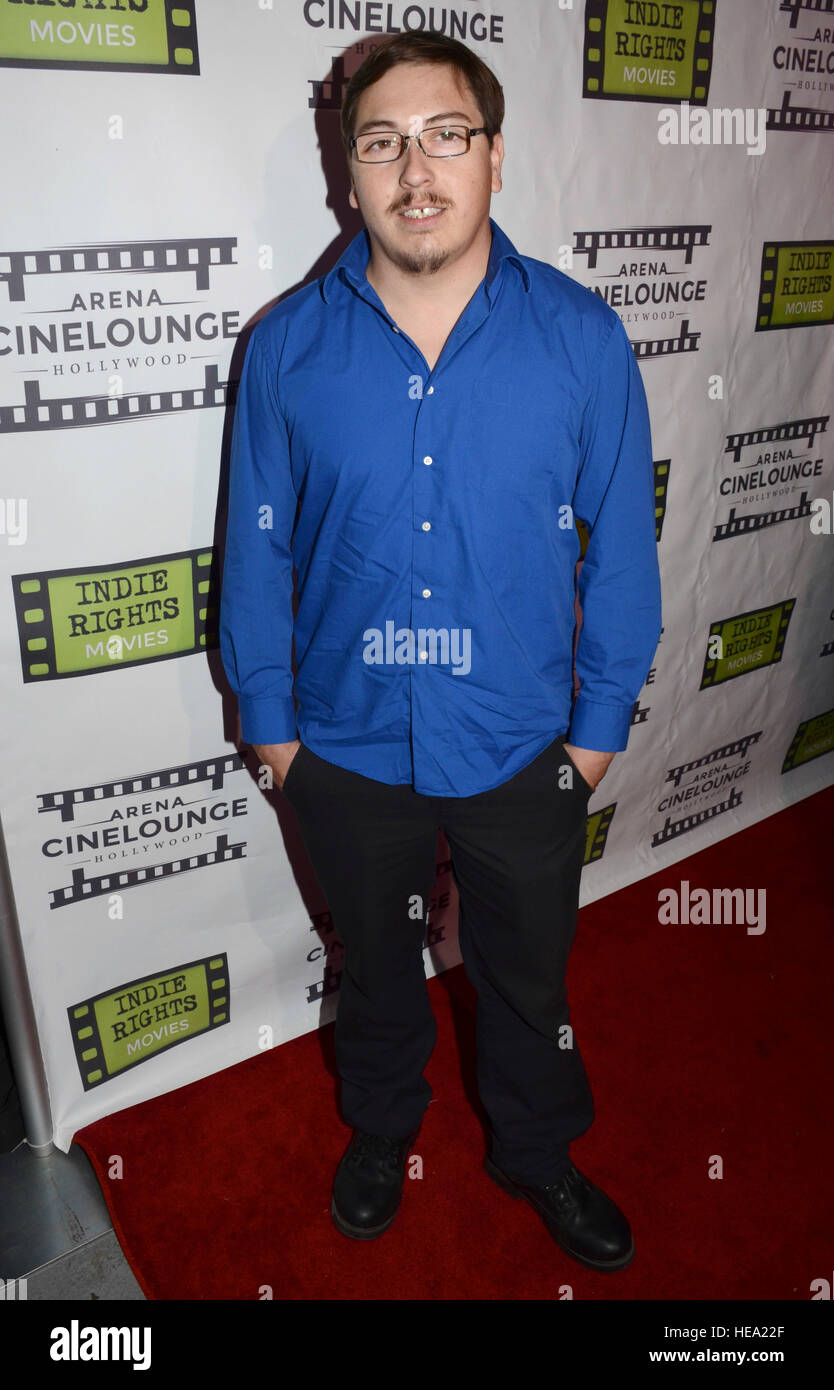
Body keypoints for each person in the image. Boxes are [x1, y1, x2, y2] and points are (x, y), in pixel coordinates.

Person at [219, 30, 662, 1273]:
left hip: (526, 747)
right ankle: (381, 1130)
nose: (416, 169)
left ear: (496, 157)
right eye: (382, 141)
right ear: (347, 171)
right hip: (344, 747)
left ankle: (537, 1151)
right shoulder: (288, 348)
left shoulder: (580, 339)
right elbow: (256, 551)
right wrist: (273, 732)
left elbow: (622, 547)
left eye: (445, 136)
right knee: (374, 973)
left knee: (528, 979)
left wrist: (597, 732)